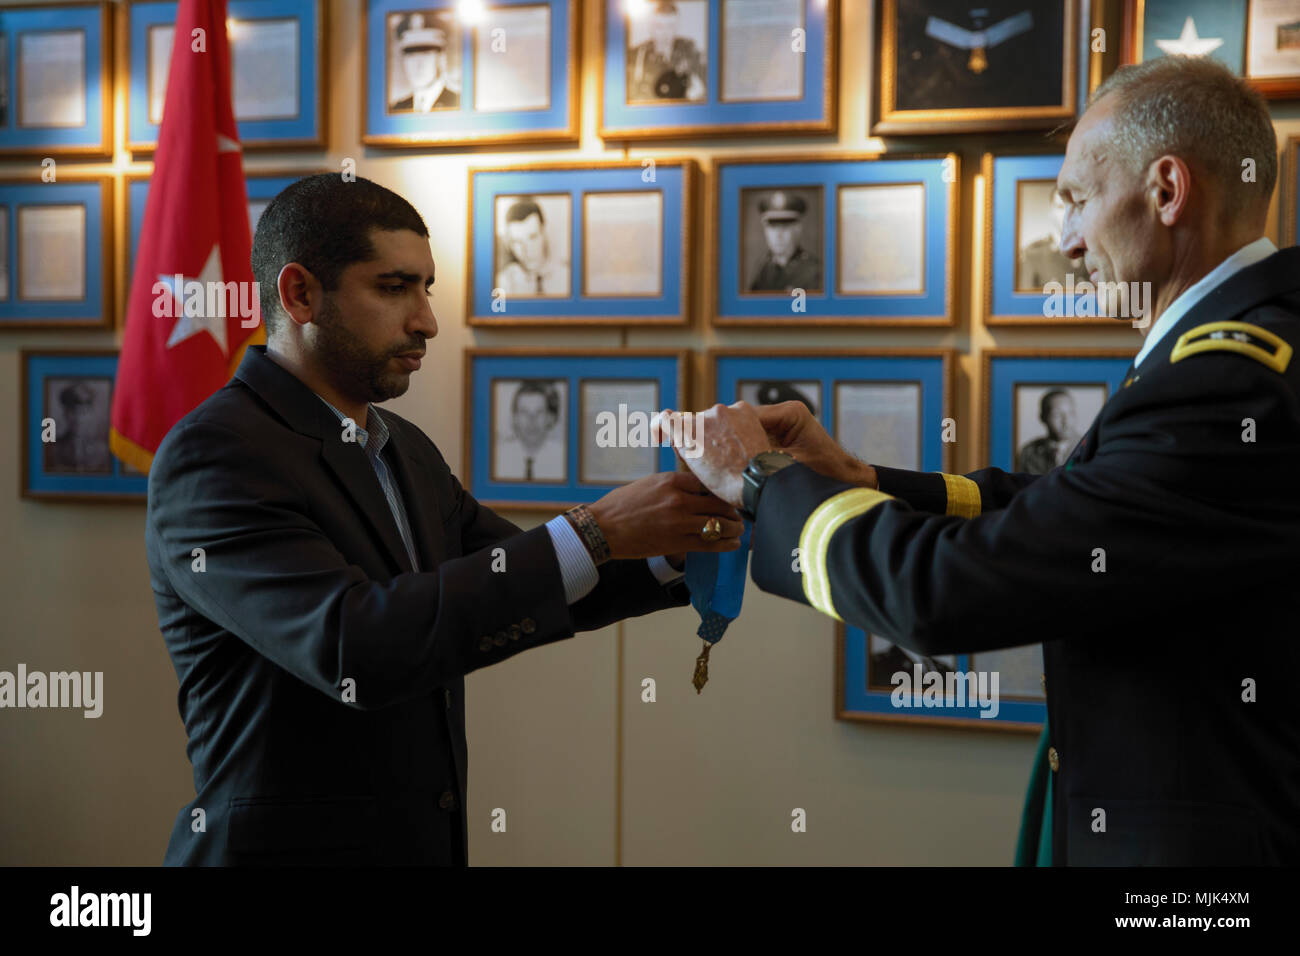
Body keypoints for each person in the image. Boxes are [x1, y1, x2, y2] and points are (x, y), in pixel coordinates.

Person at [663, 55, 1300, 865]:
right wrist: (863, 479)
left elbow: (945, 594)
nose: (1065, 243)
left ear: (1167, 191)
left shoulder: (1227, 381)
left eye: (1075, 199)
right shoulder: (1246, 353)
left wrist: (761, 480)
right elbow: (1071, 510)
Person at [146, 174, 743, 865]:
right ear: (299, 294)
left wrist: (690, 529)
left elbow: (540, 579)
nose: (427, 319)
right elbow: (354, 648)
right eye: (395, 288)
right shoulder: (214, 453)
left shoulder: (401, 446)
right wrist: (596, 530)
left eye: (426, 288)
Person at [626, 0, 706, 102]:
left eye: (670, 27)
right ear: (651, 28)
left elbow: (706, 87)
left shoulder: (690, 51)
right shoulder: (637, 55)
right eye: (659, 27)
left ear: (677, 27)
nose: (665, 33)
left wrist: (699, 92)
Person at [748, 192, 822, 293]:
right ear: (765, 231)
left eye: (785, 227)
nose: (778, 235)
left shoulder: (814, 272)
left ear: (798, 229)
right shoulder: (762, 268)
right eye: (773, 227)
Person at [494, 199, 568, 296]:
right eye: (517, 242)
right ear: (510, 244)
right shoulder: (501, 284)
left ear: (544, 232)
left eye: (533, 237)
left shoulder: (568, 275)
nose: (526, 250)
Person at [389, 13, 458, 112]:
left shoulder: (457, 103)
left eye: (426, 53)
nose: (417, 63)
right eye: (410, 55)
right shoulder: (397, 108)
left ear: (441, 57)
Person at [497, 380, 564, 480]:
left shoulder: (563, 458)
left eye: (539, 412)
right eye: (524, 412)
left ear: (549, 418)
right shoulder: (498, 456)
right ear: (515, 417)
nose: (532, 420)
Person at [1019, 189, 1083, 289]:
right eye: (1061, 207)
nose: (1067, 214)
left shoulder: (1092, 251)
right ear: (1051, 212)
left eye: (1073, 207)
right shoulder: (1033, 255)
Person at [1015, 389, 1079, 474]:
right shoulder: (1028, 453)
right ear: (1042, 417)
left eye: (1071, 413)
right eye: (1057, 415)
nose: (1066, 421)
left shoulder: (1091, 450)